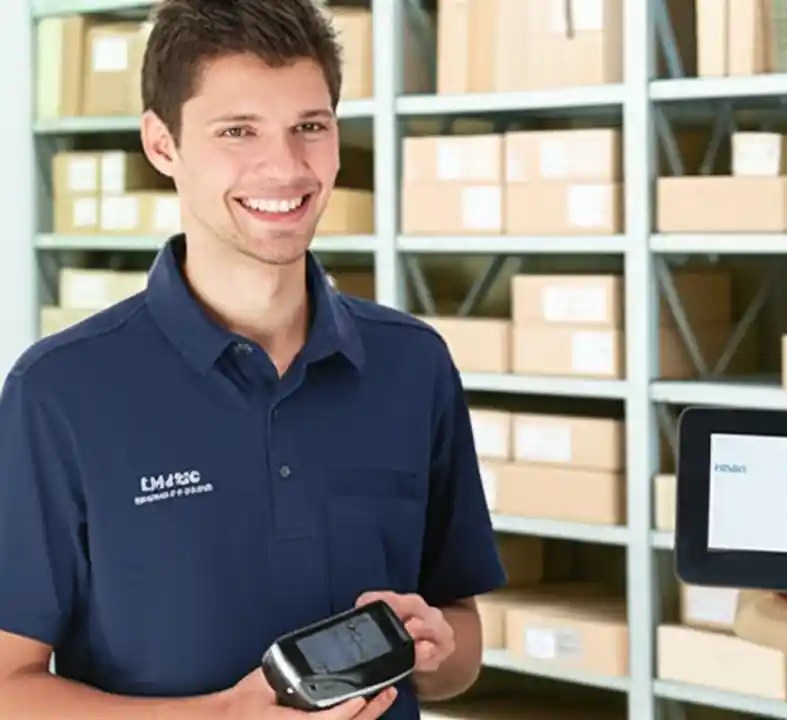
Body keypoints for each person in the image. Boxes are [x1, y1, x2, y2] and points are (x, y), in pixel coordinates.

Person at [0, 1, 506, 718]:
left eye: (310, 127)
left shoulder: (411, 364)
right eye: (239, 131)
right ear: (162, 144)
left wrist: (434, 644)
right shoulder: (58, 392)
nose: (286, 168)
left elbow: (461, 648)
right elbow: (7, 685)